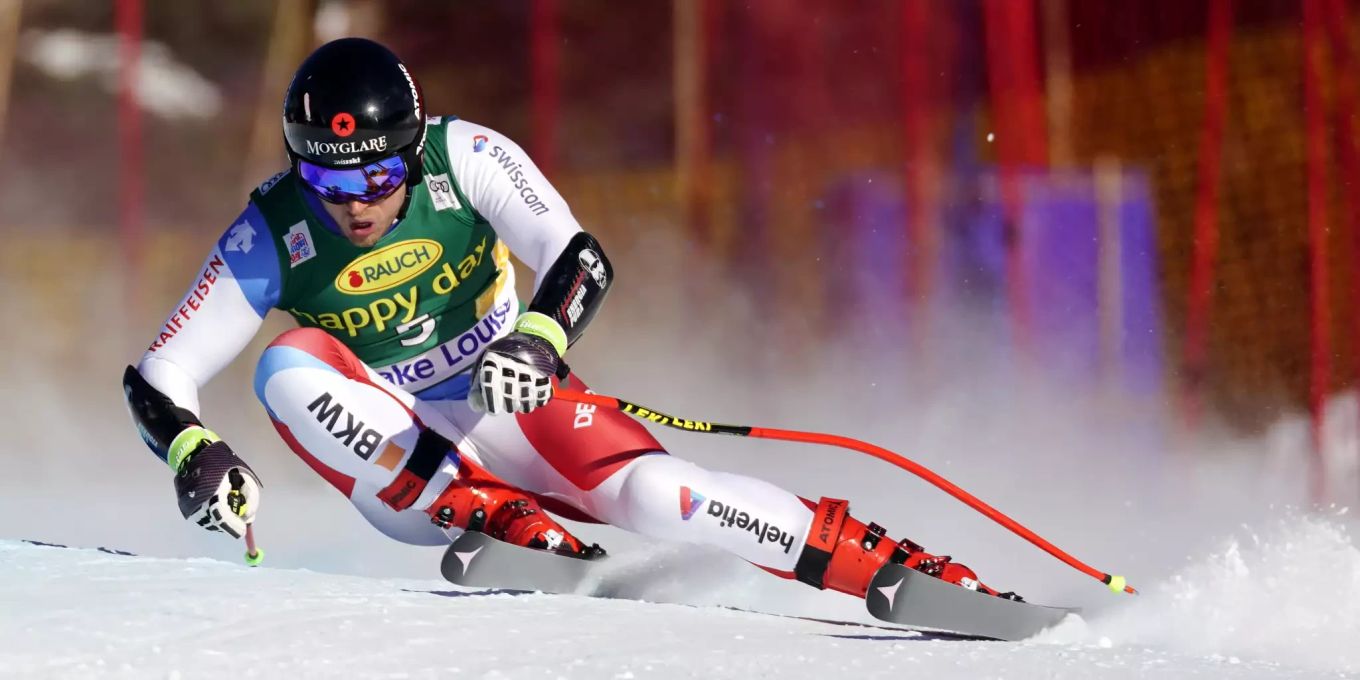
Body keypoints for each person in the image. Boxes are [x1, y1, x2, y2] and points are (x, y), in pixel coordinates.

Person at [122, 37, 1012, 602]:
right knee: (285, 366)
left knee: (662, 495)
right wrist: (196, 453)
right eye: (328, 179)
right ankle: (498, 521)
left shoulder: (464, 158)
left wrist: (539, 342)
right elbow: (160, 372)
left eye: (376, 175)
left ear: (411, 145)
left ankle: (887, 564)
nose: (354, 203)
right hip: (401, 456)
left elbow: (578, 257)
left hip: (508, 401)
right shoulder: (271, 229)